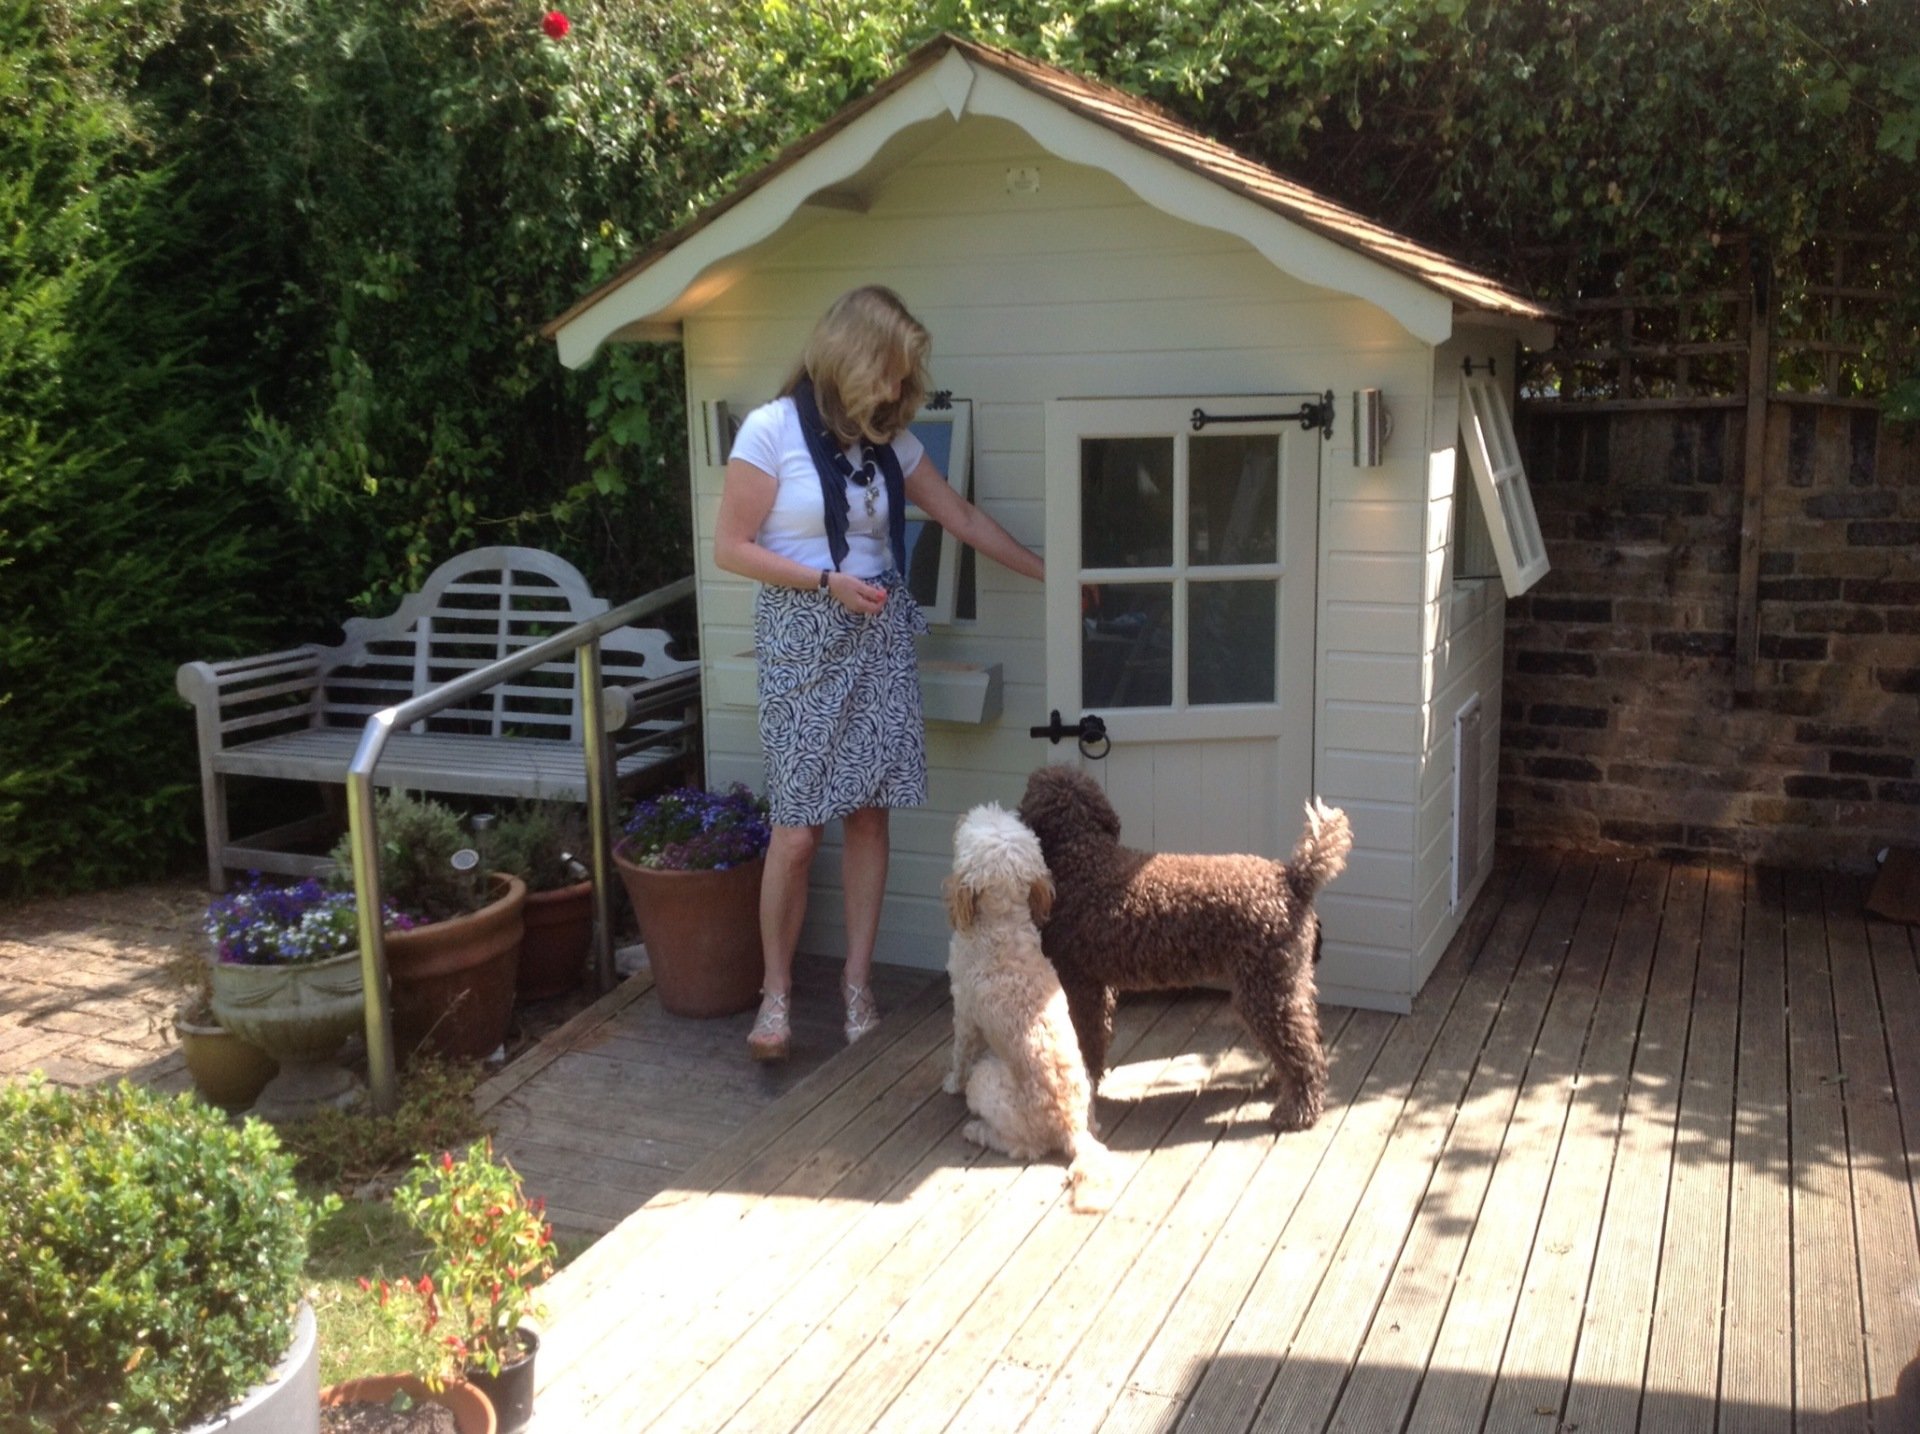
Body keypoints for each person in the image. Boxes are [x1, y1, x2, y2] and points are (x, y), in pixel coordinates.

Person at [713, 285, 1045, 1061]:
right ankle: (776, 996)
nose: (899, 391)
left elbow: (960, 518)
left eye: (905, 378)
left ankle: (857, 987)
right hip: (802, 636)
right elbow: (730, 548)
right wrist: (823, 583)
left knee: (869, 814)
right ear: (852, 359)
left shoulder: (889, 443)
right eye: (890, 374)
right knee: (796, 833)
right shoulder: (769, 432)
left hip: (878, 636)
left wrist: (1052, 573)